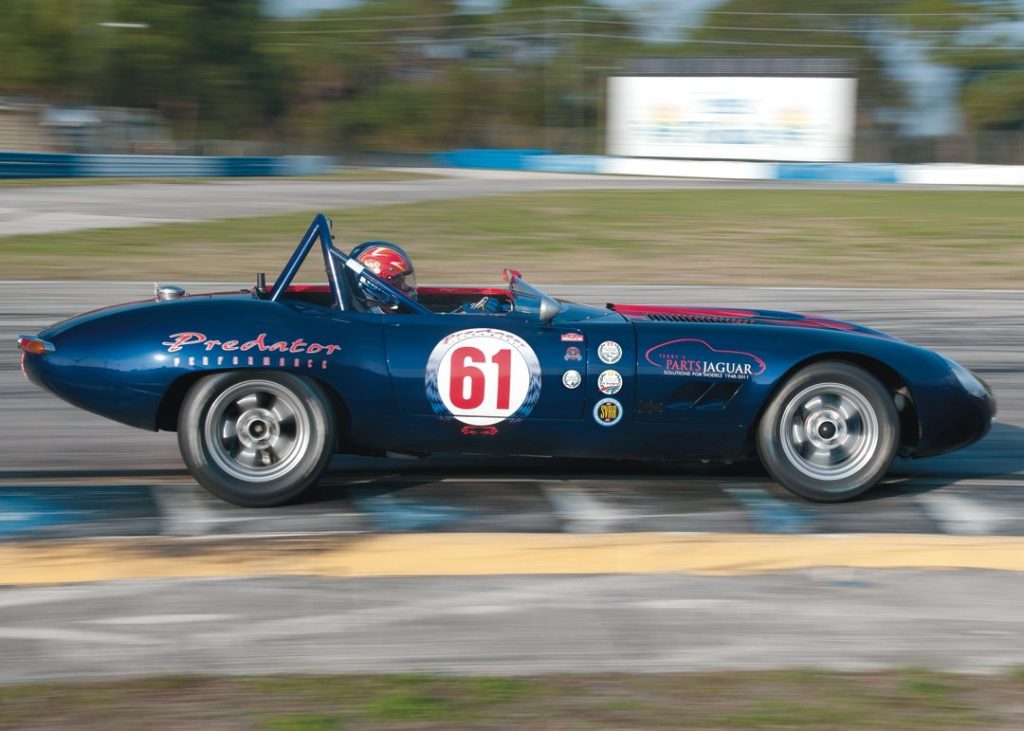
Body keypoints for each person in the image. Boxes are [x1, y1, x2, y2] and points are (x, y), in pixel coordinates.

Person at [351, 241, 508, 314]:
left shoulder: (384, 311)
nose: (405, 285)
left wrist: (460, 311)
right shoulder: (372, 317)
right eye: (398, 280)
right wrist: (466, 317)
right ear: (376, 284)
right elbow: (415, 330)